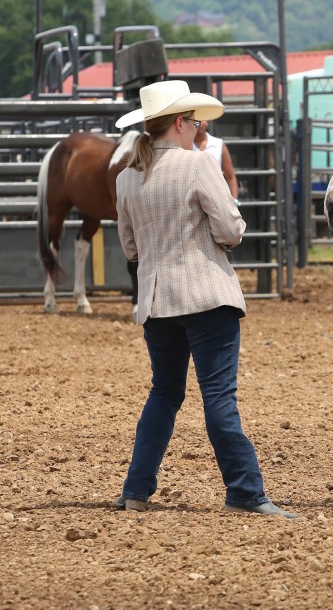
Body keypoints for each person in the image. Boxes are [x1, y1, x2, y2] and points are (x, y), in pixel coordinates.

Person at [111, 80, 296, 518]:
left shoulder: (126, 178)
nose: (198, 128)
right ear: (179, 123)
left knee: (164, 393)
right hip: (206, 296)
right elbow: (231, 230)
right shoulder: (198, 165)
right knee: (218, 396)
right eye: (194, 121)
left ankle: (136, 490)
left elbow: (130, 248)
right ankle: (245, 492)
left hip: (157, 301)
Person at [193, 119, 240, 203]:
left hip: (216, 197)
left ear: (207, 121)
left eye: (202, 119)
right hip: (193, 197)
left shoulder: (218, 143)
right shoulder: (185, 145)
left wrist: (235, 200)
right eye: (196, 120)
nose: (199, 123)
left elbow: (230, 176)